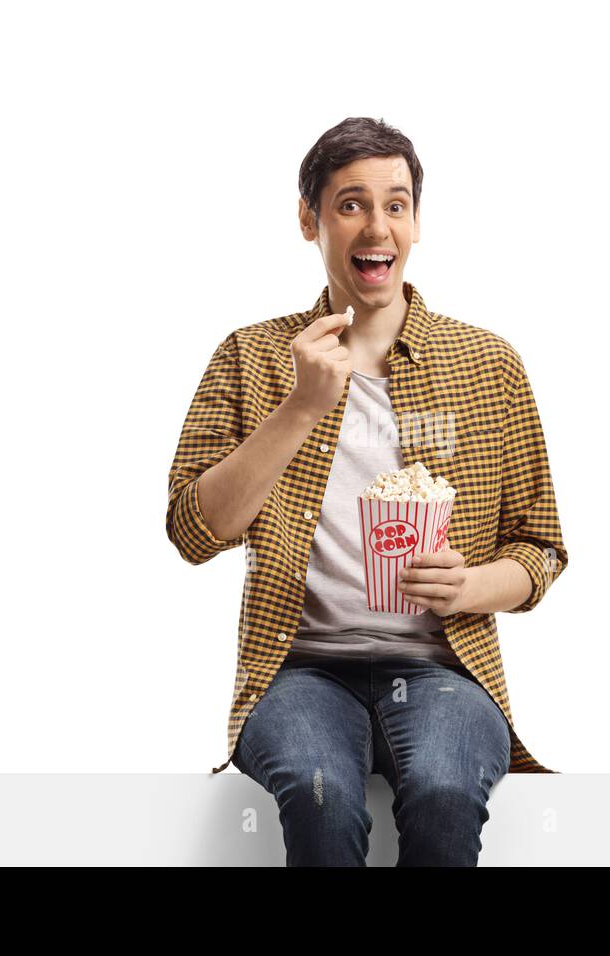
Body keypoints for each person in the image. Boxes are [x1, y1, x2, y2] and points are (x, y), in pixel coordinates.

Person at [167, 117, 569, 866]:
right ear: (308, 219)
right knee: (323, 798)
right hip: (302, 670)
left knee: (447, 795)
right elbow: (194, 532)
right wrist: (300, 407)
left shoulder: (489, 365)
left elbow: (540, 548)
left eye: (396, 203)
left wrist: (472, 583)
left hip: (444, 669)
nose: (376, 224)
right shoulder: (252, 356)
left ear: (415, 221)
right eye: (350, 203)